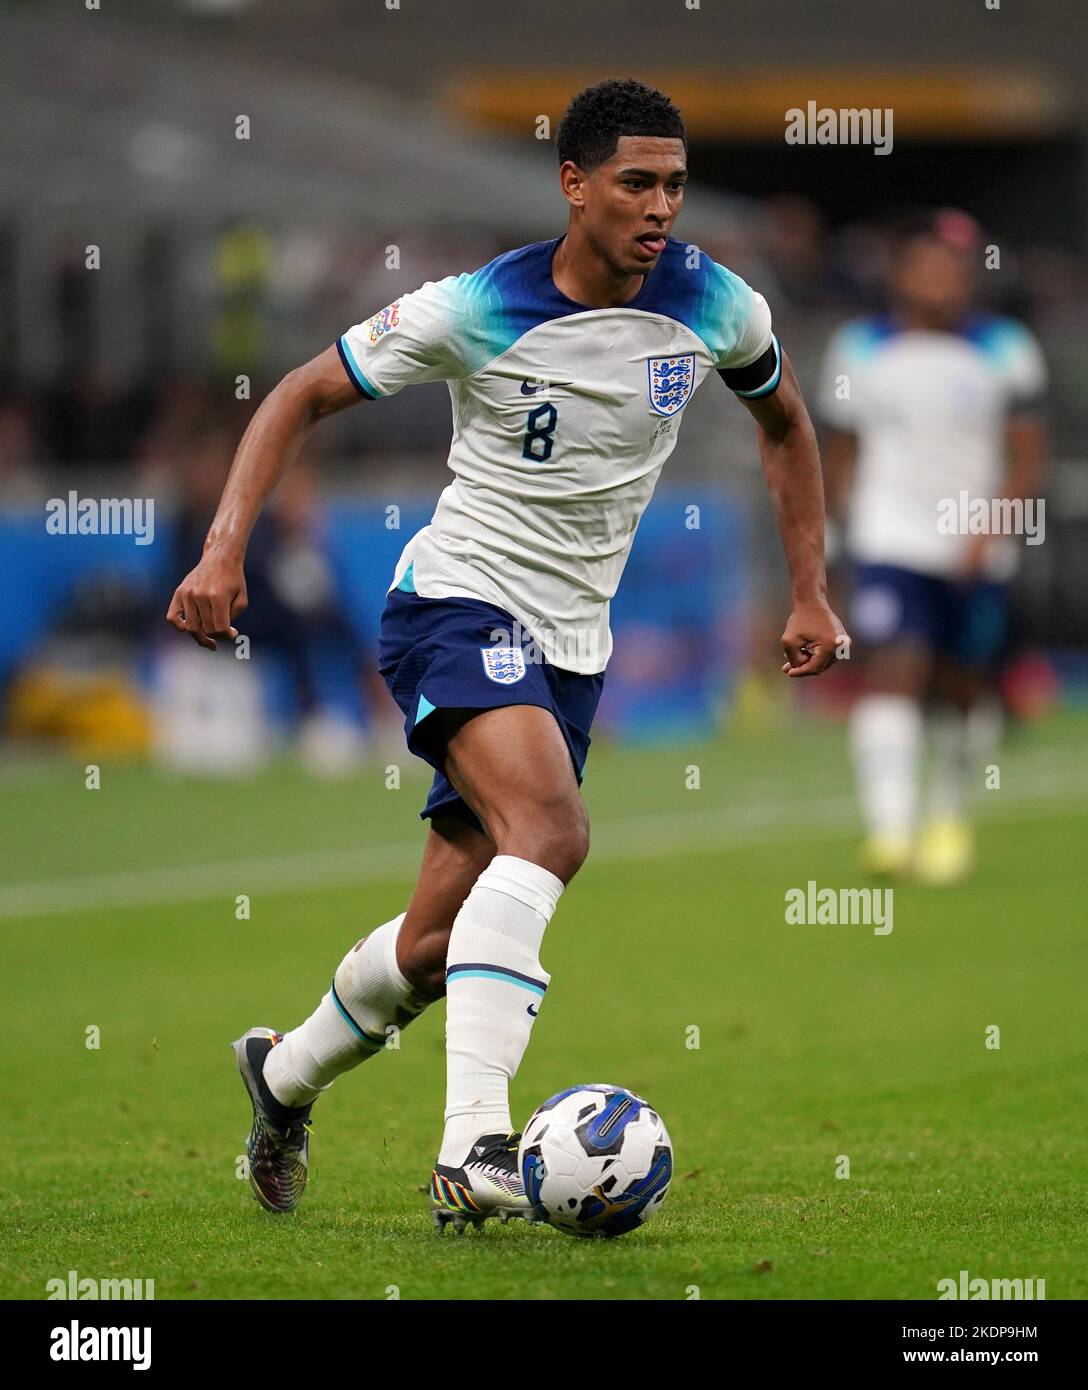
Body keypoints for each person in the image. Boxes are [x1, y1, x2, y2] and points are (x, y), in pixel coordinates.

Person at [167, 78, 843, 1232]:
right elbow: (298, 393)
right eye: (634, 182)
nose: (659, 207)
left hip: (572, 645)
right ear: (573, 185)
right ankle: (473, 1142)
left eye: (673, 184)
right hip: (458, 604)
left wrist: (809, 591)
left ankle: (278, 1078)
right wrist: (222, 549)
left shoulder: (717, 306)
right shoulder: (475, 305)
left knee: (433, 944)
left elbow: (783, 425)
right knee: (553, 833)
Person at [820, 211, 1047, 883]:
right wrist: (838, 533)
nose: (936, 281)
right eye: (923, 267)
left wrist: (993, 528)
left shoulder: (1006, 347)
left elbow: (1026, 455)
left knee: (961, 687)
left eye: (949, 269)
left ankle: (948, 818)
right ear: (899, 274)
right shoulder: (859, 348)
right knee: (893, 668)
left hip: (975, 542)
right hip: (891, 535)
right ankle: (889, 832)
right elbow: (842, 448)